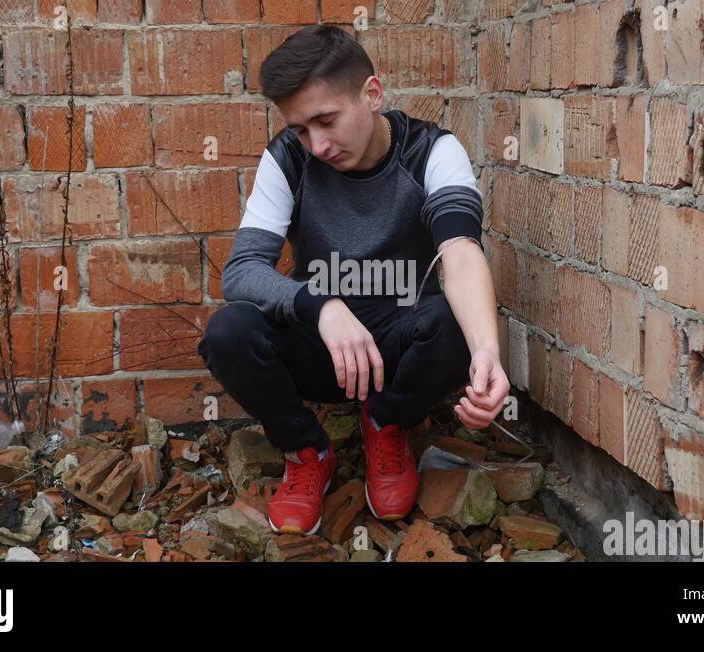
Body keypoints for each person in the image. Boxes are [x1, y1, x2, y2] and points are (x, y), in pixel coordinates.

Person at [197, 25, 510, 535]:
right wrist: (319, 305)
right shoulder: (288, 158)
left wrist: (486, 354)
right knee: (229, 332)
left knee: (456, 326)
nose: (316, 144)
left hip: (396, 350)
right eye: (301, 128)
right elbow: (242, 270)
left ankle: (385, 424)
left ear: (372, 94)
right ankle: (306, 450)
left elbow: (460, 251)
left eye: (326, 120)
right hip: (321, 349)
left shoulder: (432, 151)